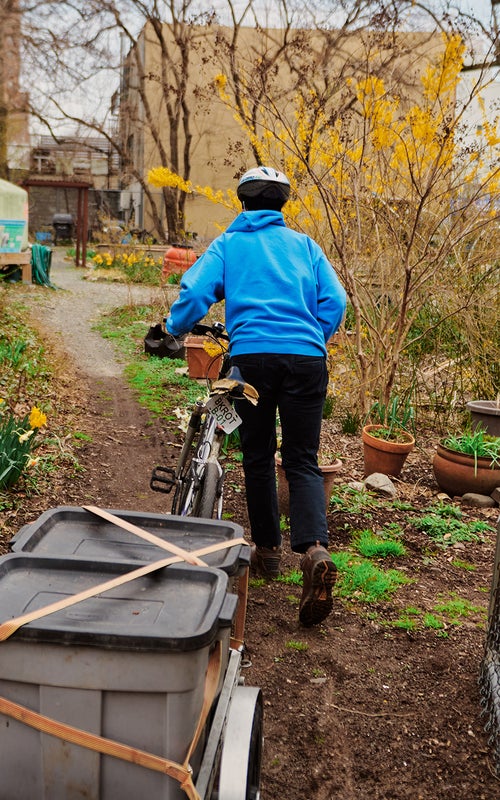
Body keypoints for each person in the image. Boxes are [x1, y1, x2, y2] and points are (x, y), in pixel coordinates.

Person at [164, 166, 347, 626]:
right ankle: (315, 549)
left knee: (259, 455)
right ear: (283, 205)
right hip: (307, 360)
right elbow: (336, 301)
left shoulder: (230, 244)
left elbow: (195, 291)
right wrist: (312, 338)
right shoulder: (305, 246)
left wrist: (173, 328)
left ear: (242, 203)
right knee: (303, 459)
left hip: (254, 361)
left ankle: (268, 551)